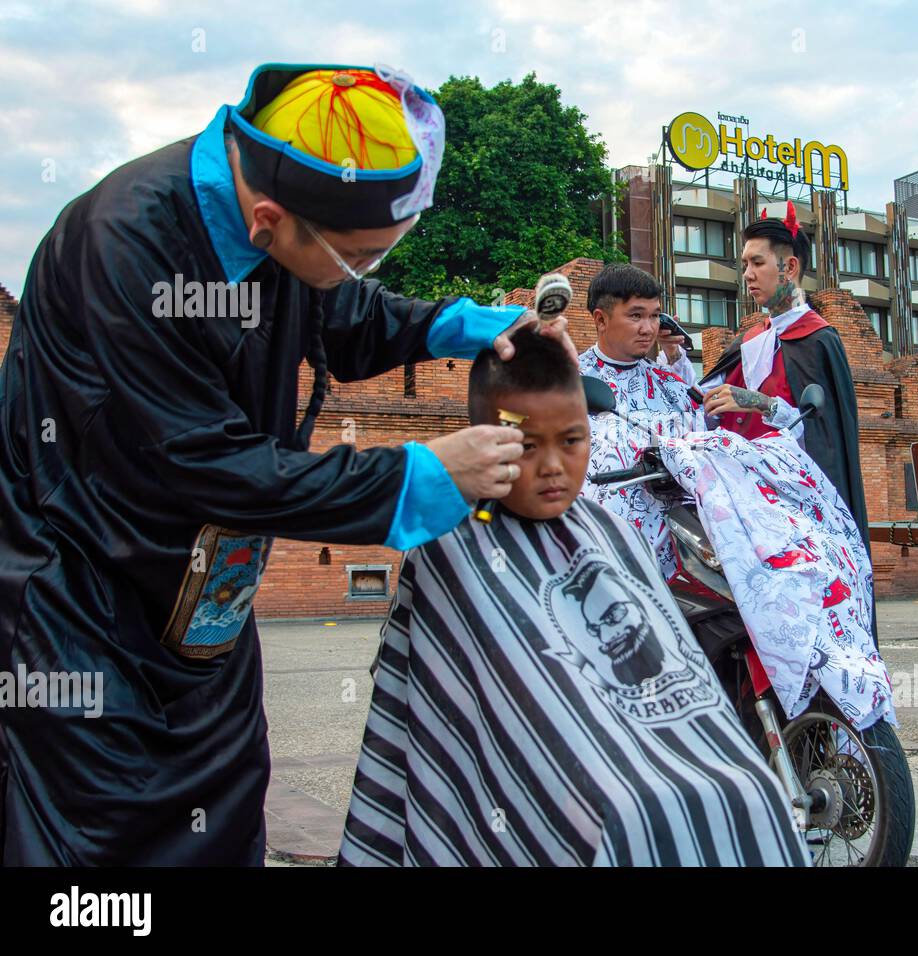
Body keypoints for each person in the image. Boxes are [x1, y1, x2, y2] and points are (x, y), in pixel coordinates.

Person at [0, 64, 574, 865]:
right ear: (269, 220)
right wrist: (417, 476)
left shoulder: (285, 222)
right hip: (85, 610)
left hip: (206, 611)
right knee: (99, 847)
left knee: (223, 816)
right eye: (361, 257)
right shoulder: (126, 247)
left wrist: (465, 327)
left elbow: (342, 312)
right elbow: (202, 462)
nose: (363, 274)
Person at [339, 329, 805, 866]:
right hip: (547, 775)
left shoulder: (612, 532)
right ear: (484, 442)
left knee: (755, 792)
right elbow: (464, 712)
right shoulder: (451, 549)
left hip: (641, 753)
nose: (555, 466)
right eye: (528, 446)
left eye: (572, 440)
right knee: (623, 816)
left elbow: (675, 682)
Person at [578, 263, 802, 578]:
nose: (648, 328)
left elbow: (708, 446)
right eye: (635, 316)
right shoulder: (568, 383)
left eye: (655, 316)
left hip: (682, 558)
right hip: (603, 550)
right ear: (601, 319)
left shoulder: (671, 385)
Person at [699, 202, 868, 544]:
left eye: (757, 263)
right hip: (739, 506)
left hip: (795, 516)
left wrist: (763, 404)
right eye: (745, 263)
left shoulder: (819, 340)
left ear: (789, 267)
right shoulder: (748, 340)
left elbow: (824, 441)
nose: (747, 274)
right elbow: (704, 407)